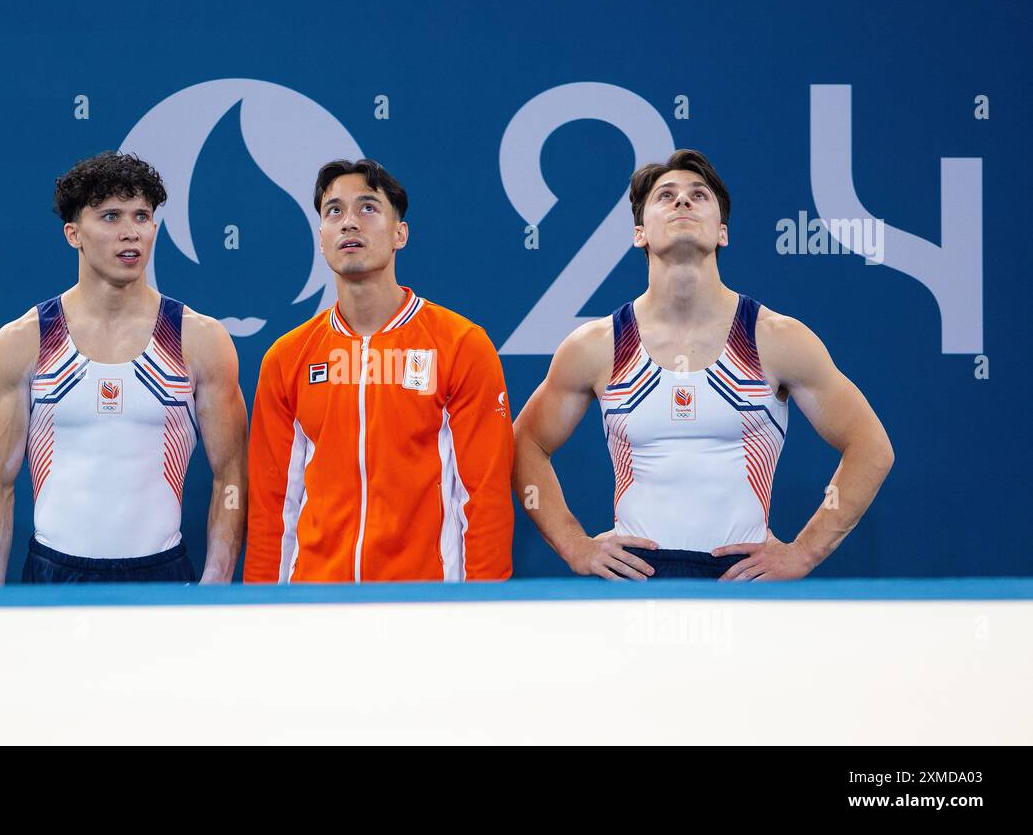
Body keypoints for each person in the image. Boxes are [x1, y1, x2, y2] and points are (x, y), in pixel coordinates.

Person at [513, 149, 894, 580]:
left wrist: (804, 552)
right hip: (637, 583)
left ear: (722, 232)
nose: (682, 202)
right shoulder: (597, 347)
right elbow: (526, 443)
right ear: (639, 233)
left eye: (699, 195)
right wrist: (574, 544)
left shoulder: (777, 340)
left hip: (743, 583)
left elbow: (870, 446)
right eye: (665, 195)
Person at [0, 152, 247, 585]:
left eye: (142, 216)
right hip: (53, 576)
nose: (130, 233)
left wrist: (214, 585)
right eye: (111, 216)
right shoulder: (23, 341)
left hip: (164, 575)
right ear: (73, 234)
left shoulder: (200, 341)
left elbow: (231, 475)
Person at [244, 159, 513, 582]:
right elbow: (272, 504)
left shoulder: (461, 345)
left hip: (424, 606)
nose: (349, 222)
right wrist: (261, 609)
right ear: (321, 238)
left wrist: (484, 607)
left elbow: (484, 497)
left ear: (399, 234)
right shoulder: (287, 356)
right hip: (316, 605)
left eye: (368, 208)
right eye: (334, 211)